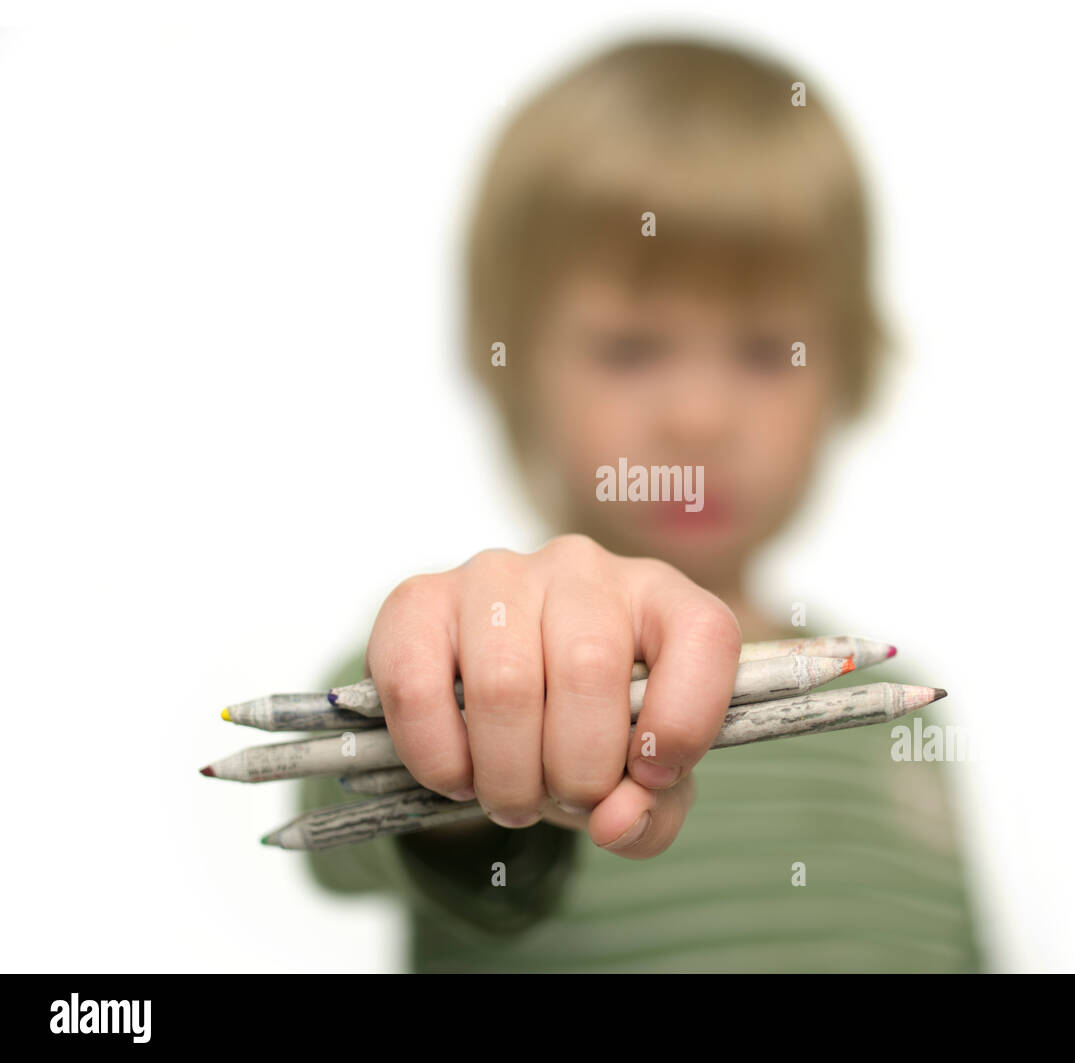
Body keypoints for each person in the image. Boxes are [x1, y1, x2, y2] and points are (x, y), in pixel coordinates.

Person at [298, 35, 986, 972]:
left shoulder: (900, 717)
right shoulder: (478, 662)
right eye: (628, 348)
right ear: (508, 365)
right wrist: (458, 717)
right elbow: (338, 815)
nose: (698, 418)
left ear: (851, 368)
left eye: (762, 350)